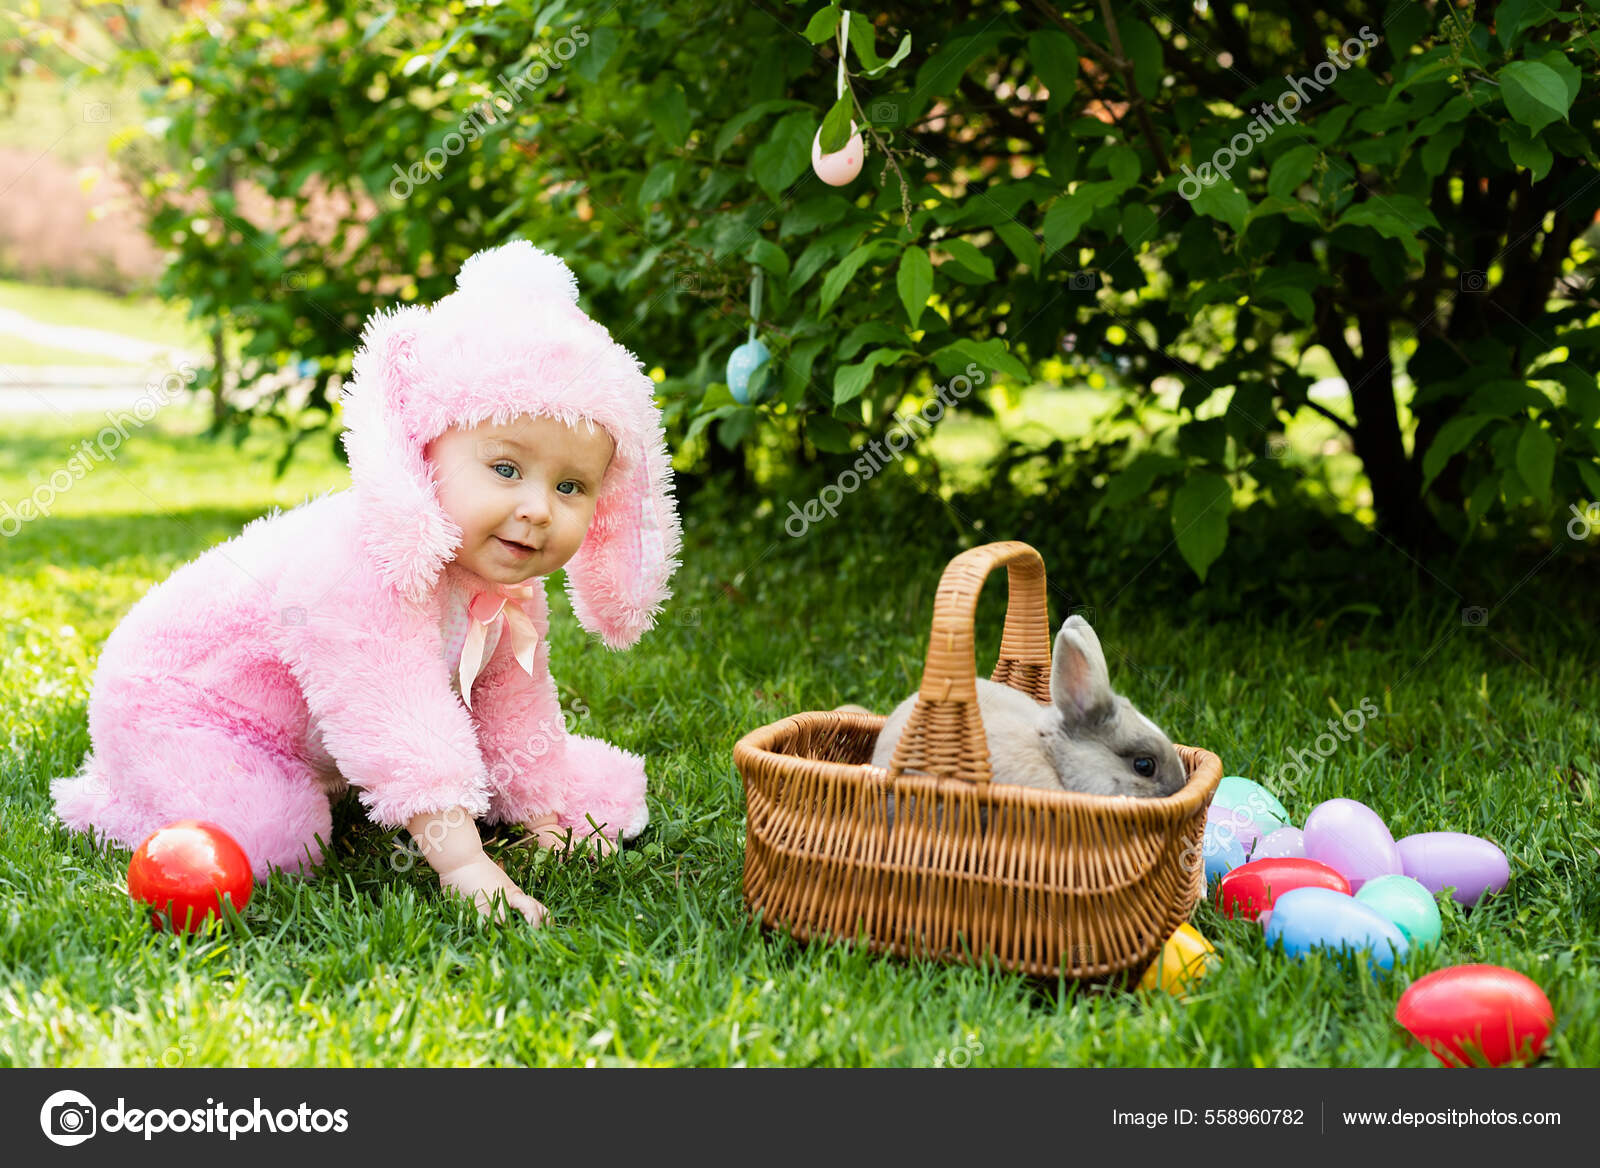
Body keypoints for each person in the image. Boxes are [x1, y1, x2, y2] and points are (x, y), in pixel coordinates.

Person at [51, 241, 683, 926]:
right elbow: (396, 711)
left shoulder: (504, 580)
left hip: (297, 725)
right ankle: (115, 800)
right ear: (424, 451)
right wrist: (466, 866)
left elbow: (509, 699)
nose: (537, 508)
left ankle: (525, 793)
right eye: (505, 469)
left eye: (571, 486)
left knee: (579, 790)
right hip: (181, 703)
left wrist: (541, 814)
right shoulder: (367, 562)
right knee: (275, 843)